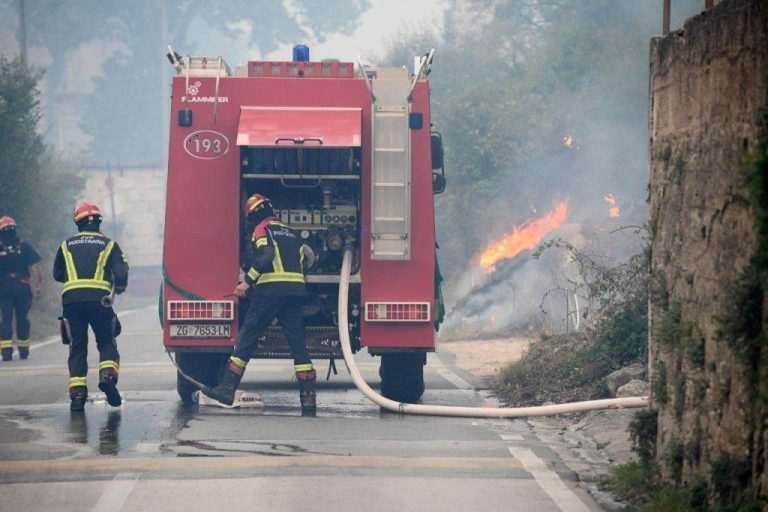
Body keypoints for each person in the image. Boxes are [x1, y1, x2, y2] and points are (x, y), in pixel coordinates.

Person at [202, 193, 317, 414]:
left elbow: (265, 256)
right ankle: (308, 399)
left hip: (270, 291)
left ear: (254, 215)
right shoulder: (292, 233)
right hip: (295, 292)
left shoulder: (262, 230)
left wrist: (246, 283)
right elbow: (307, 260)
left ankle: (227, 388)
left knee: (248, 334)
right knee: (297, 344)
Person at [53, 202, 129, 412]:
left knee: (77, 346)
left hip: (71, 301)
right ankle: (107, 376)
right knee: (106, 340)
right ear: (98, 222)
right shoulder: (109, 244)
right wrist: (119, 287)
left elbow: (58, 275)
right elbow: (121, 273)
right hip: (99, 300)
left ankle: (77, 394)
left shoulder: (65, 245)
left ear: (78, 223)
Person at [0, 216, 42, 361]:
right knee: (22, 318)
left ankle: (6, 353)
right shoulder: (25, 245)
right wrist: (37, 287)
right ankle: (23, 350)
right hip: (22, 288)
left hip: (3, 289)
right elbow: (35, 268)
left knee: (5, 319)